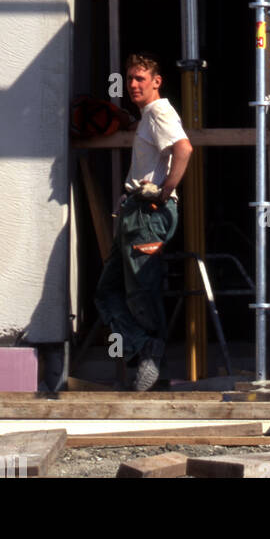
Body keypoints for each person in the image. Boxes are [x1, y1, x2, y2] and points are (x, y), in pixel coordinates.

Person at [94, 53, 193, 391]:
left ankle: (148, 352)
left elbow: (184, 148)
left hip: (148, 212)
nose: (133, 84)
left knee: (141, 292)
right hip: (136, 211)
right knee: (108, 292)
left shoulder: (161, 112)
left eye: (140, 78)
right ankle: (144, 348)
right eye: (130, 79)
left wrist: (166, 191)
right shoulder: (150, 116)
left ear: (156, 81)